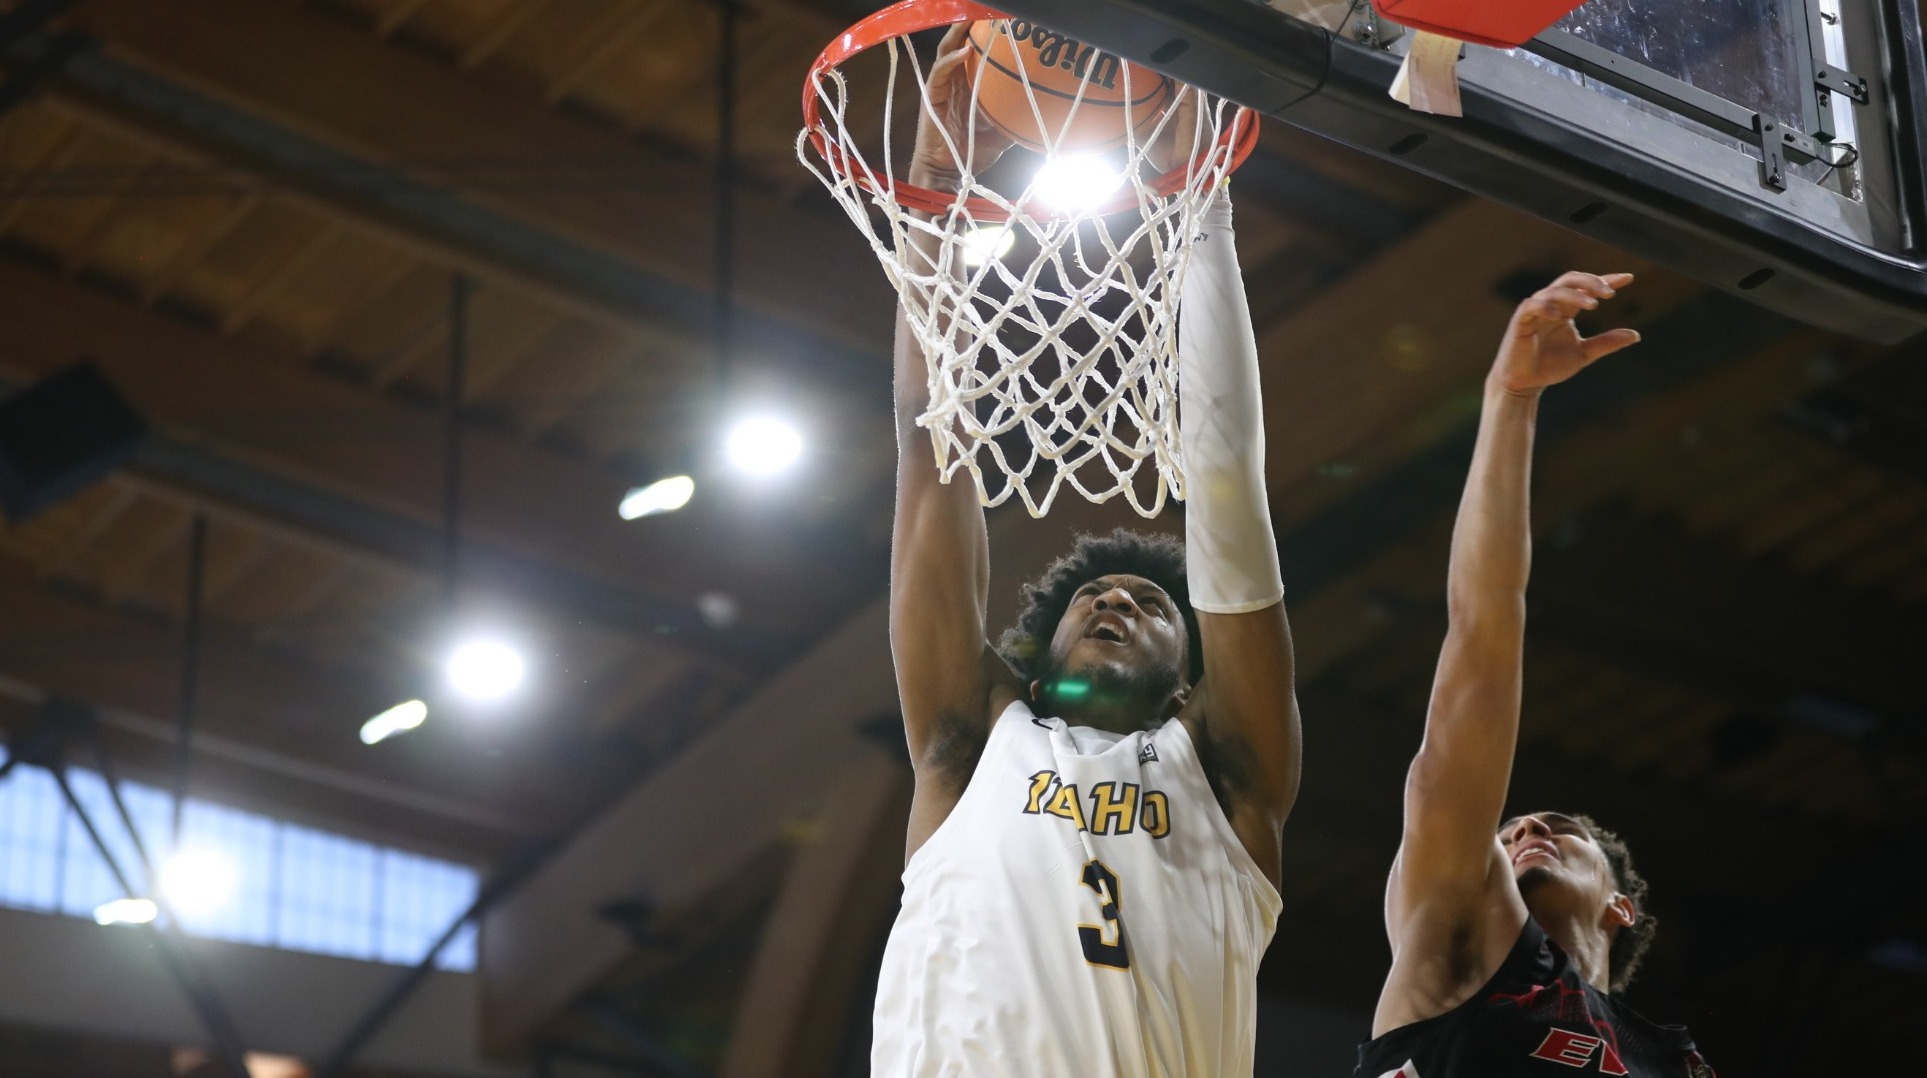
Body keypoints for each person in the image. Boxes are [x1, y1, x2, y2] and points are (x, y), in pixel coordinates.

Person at [869, 27, 1302, 1077]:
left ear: (1192, 677)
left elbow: (1228, 496)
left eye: (1153, 607)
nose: (1115, 603)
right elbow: (932, 437)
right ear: (1041, 641)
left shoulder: (1230, 779)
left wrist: (1203, 216)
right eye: (1095, 597)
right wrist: (935, 189)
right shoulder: (969, 743)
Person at [1356, 273, 1716, 1078]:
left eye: (1559, 829)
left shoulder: (1671, 1061)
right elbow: (1483, 631)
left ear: (1620, 906)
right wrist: (1510, 401)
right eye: (1511, 826)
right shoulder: (1453, 936)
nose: (1523, 830)